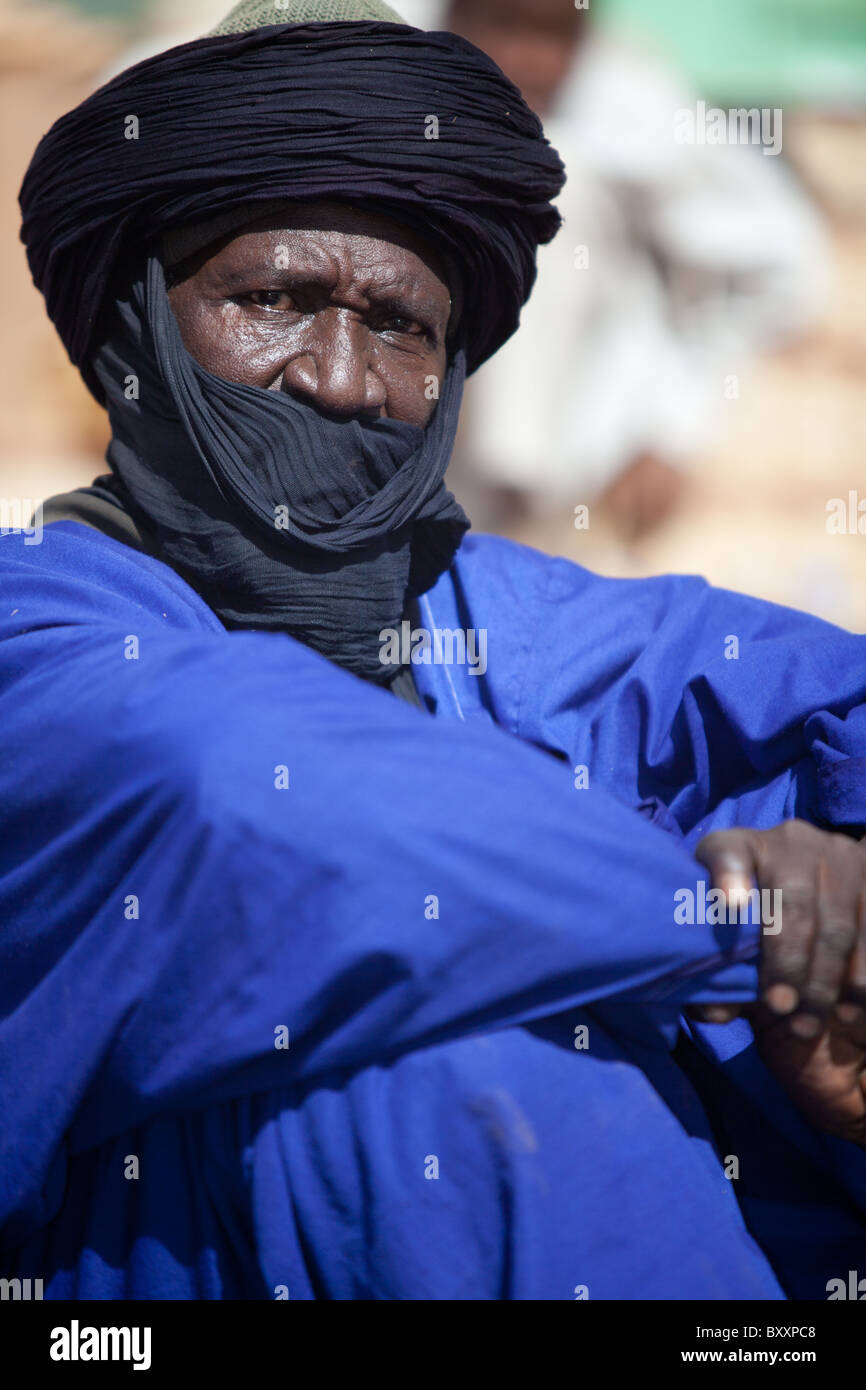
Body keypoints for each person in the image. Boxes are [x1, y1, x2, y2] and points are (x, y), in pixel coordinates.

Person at [2, 0, 865, 1300]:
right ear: (133, 332)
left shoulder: (515, 626)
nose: (341, 380)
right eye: (274, 300)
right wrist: (743, 923)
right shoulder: (40, 637)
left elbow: (808, 695)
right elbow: (258, 794)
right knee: (444, 1062)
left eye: (399, 325)